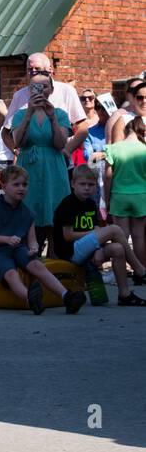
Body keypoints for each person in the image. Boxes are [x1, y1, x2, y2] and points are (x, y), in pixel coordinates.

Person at [0, 165, 86, 316]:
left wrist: (34, 248)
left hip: (17, 248)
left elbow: (32, 240)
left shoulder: (27, 213)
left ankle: (67, 296)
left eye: (24, 185)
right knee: (11, 274)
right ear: (3, 185)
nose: (21, 188)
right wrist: (6, 239)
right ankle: (30, 300)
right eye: (16, 184)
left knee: (37, 264)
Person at [53, 164, 146, 305]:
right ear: (73, 184)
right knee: (114, 229)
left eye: (91, 185)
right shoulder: (67, 204)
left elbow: (96, 229)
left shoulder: (90, 204)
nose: (86, 188)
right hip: (70, 251)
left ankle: (124, 294)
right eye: (82, 184)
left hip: (87, 250)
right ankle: (139, 269)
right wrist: (96, 234)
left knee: (117, 249)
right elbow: (68, 235)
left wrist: (98, 248)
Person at [7, 72, 70, 251]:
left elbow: (60, 143)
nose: (40, 90)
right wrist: (29, 114)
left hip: (53, 168)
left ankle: (55, 260)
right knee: (28, 213)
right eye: (35, 87)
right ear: (29, 90)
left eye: (44, 86)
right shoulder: (20, 115)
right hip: (28, 169)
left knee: (55, 213)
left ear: (51, 89)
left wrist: (52, 118)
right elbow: (18, 142)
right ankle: (31, 257)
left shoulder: (60, 114)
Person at [2, 53, 88, 159]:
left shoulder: (66, 91)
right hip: (30, 160)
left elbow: (82, 127)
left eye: (37, 68)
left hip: (58, 158)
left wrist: (67, 151)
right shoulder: (20, 96)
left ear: (50, 69)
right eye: (29, 69)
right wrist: (16, 151)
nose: (33, 72)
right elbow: (6, 132)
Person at [105, 114, 146, 270]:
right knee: (139, 236)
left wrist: (107, 198)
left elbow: (108, 176)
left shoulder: (113, 149)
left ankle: (120, 271)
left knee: (121, 237)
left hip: (119, 195)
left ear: (126, 130)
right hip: (141, 197)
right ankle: (141, 272)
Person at [107, 78, 146, 144]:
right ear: (134, 99)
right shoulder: (123, 119)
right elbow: (116, 149)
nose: (144, 101)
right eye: (140, 98)